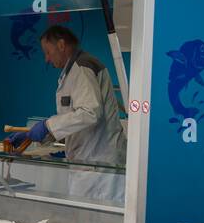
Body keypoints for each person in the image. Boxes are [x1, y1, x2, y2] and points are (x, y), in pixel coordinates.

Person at [10, 26, 127, 201]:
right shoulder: (71, 71)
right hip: (88, 164)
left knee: (96, 222)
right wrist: (38, 135)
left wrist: (48, 125)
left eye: (48, 52)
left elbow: (89, 113)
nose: (47, 59)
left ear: (62, 45)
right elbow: (77, 122)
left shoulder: (82, 68)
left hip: (99, 166)